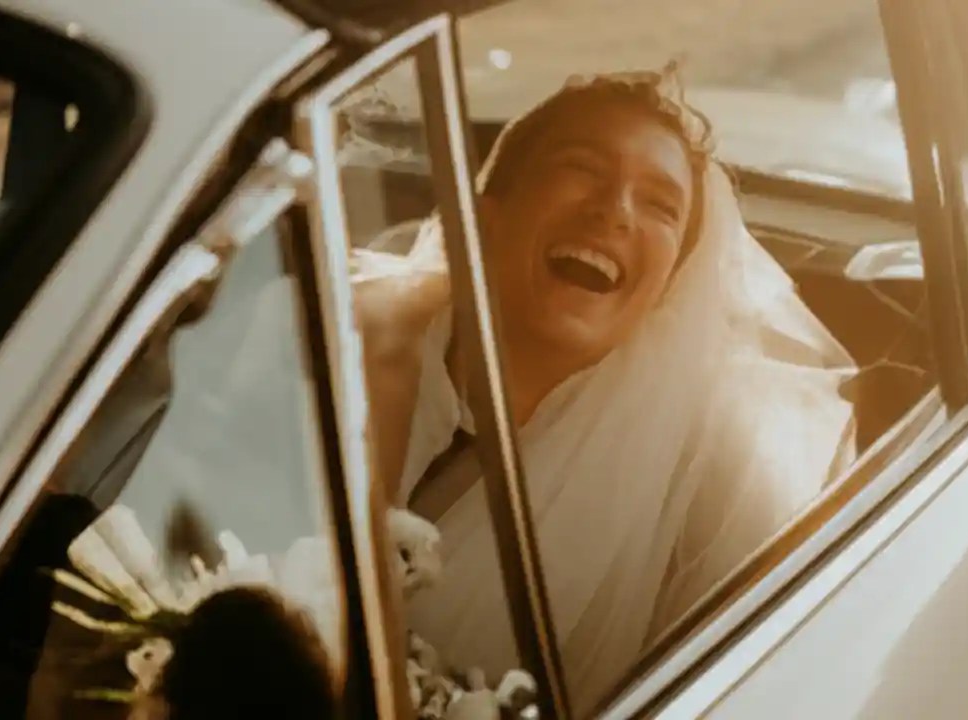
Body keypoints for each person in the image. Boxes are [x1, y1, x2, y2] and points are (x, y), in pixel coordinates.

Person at [352, 64, 858, 713]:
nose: (614, 211)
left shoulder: (726, 471)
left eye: (660, 204)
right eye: (583, 170)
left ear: (669, 288)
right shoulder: (348, 340)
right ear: (485, 217)